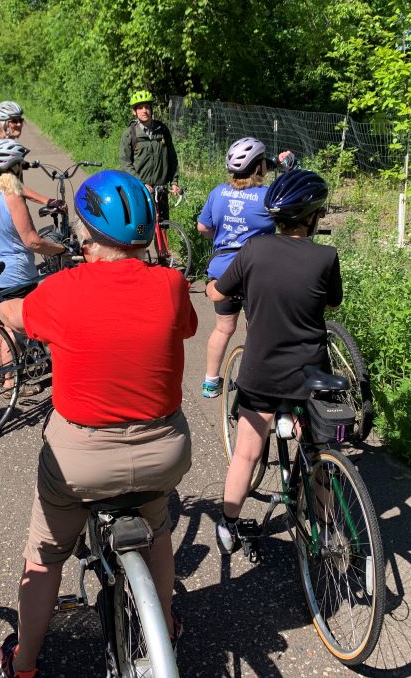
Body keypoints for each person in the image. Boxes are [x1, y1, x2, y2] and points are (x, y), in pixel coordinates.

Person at [0, 170, 196, 678]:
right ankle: (163, 622)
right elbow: (187, 326)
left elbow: (21, 314)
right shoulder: (170, 285)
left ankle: (24, 664)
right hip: (163, 451)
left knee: (44, 558)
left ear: (84, 234)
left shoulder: (63, 290)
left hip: (79, 462)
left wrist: (0, 309)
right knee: (158, 528)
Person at [205, 168, 340, 554]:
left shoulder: (253, 251)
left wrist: (219, 286)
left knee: (247, 451)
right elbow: (331, 303)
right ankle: (328, 530)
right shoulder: (326, 256)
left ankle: (229, 527)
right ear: (312, 217)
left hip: (261, 372)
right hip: (309, 372)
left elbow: (217, 292)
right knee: (317, 449)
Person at [196, 138, 294, 398]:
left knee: (223, 328)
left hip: (223, 272)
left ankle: (210, 382)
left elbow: (203, 228)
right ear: (260, 167)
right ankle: (252, 381)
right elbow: (290, 220)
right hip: (255, 272)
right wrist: (289, 169)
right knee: (255, 329)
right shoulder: (267, 196)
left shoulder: (218, 193)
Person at [0, 138, 66, 290]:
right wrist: (61, 249)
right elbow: (33, 242)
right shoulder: (12, 198)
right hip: (14, 275)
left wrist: (45, 200)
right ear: (14, 167)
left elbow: (18, 189)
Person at [118, 89, 181, 229]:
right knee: (141, 229)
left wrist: (174, 181)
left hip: (161, 189)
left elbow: (172, 157)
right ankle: (141, 251)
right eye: (140, 108)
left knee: (162, 227)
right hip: (140, 189)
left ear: (151, 109)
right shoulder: (130, 134)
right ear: (134, 111)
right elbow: (125, 163)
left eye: (147, 107)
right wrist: (142, 183)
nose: (144, 110)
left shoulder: (162, 130)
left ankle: (163, 251)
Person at [0, 101, 55, 208]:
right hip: (4, 207)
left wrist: (25, 164)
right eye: (14, 121)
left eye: (21, 120)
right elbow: (13, 185)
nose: (19, 124)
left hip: (11, 204)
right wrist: (47, 201)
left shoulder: (7, 145)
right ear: (2, 123)